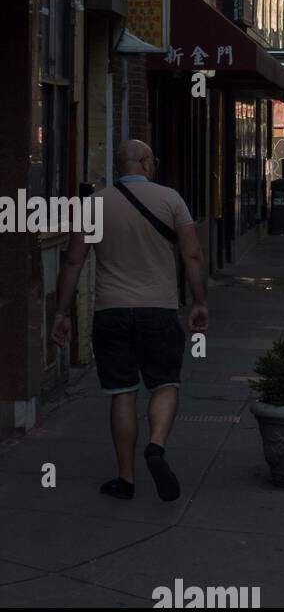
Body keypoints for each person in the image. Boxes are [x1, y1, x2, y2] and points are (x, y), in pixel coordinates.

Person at [50, 140, 208, 503]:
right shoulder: (171, 200)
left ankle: (126, 479)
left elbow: (73, 262)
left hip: (111, 310)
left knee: (121, 392)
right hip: (159, 309)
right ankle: (155, 446)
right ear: (147, 163)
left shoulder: (94, 204)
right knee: (165, 384)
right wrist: (200, 301)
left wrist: (61, 312)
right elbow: (194, 254)